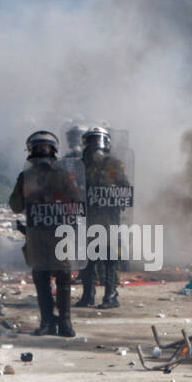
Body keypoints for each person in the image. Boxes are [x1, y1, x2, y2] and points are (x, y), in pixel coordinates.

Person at [8, 130, 85, 337]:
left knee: (48, 277)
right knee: (57, 277)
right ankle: (60, 324)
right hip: (53, 234)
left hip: (45, 235)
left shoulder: (32, 177)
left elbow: (15, 206)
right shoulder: (57, 176)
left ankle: (54, 323)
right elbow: (77, 203)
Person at [78, 126, 132, 309]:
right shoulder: (80, 165)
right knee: (87, 259)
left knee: (110, 258)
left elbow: (124, 188)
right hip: (86, 219)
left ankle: (110, 296)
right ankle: (88, 295)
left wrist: (111, 192)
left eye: (98, 140)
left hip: (109, 219)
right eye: (92, 141)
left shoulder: (113, 165)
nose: (95, 145)